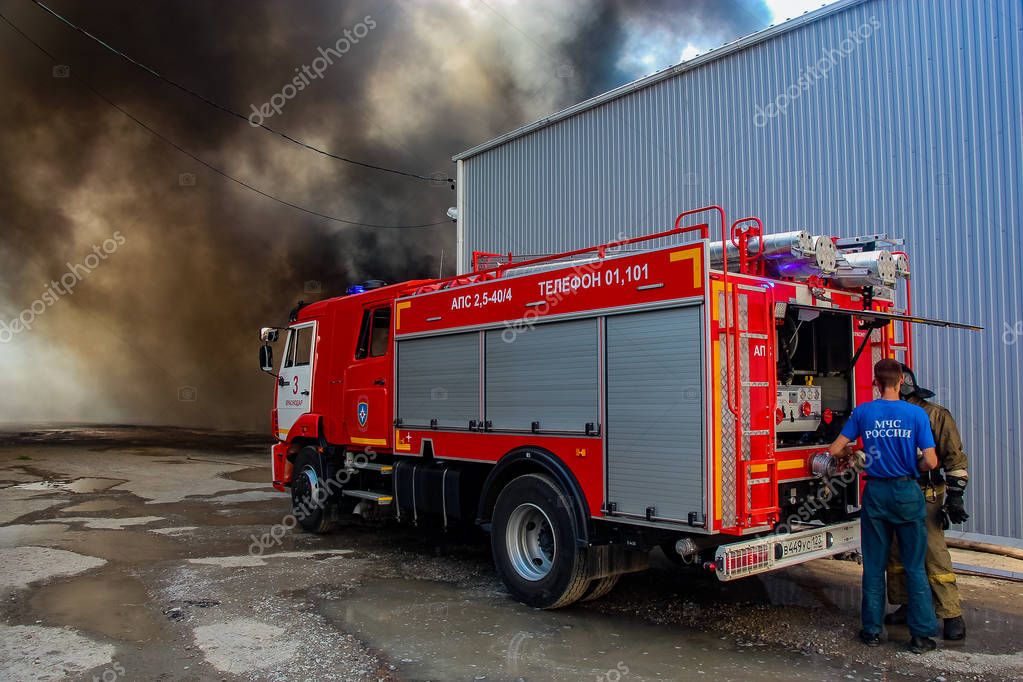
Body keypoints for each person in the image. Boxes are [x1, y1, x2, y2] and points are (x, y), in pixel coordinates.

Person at [829, 358, 939, 653]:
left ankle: (872, 631)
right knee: (915, 567)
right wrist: (911, 465)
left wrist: (857, 454)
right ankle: (920, 636)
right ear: (901, 381)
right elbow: (931, 460)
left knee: (874, 567)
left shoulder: (864, 412)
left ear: (876, 383)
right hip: (907, 492)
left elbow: (835, 449)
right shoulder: (916, 414)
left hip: (875, 492)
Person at [885, 364, 969, 640]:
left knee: (934, 554)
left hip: (926, 495)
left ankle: (951, 614)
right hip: (895, 493)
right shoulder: (888, 414)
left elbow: (954, 459)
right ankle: (906, 604)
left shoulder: (936, 415)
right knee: (897, 553)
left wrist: (955, 499)